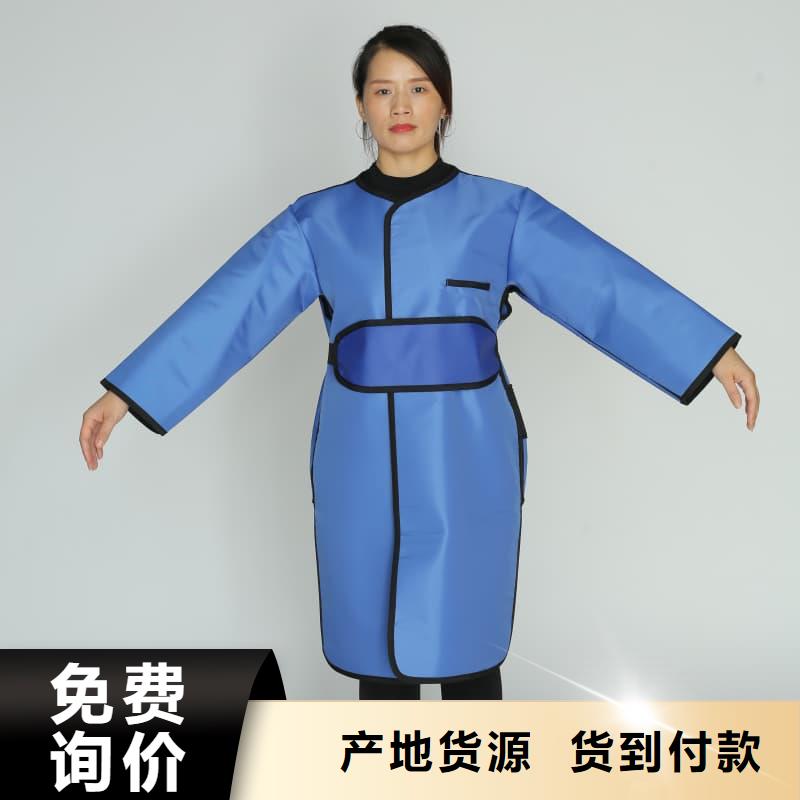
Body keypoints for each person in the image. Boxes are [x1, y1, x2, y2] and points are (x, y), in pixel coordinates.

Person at [79, 25, 760, 702]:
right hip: (358, 452)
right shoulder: (317, 222)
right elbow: (230, 308)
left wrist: (708, 350)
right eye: (383, 91)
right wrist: (128, 394)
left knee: (468, 637)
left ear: (444, 103)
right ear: (360, 105)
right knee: (377, 641)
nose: (400, 106)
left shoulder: (501, 212)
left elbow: (602, 283)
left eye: (418, 89)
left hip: (467, 446)